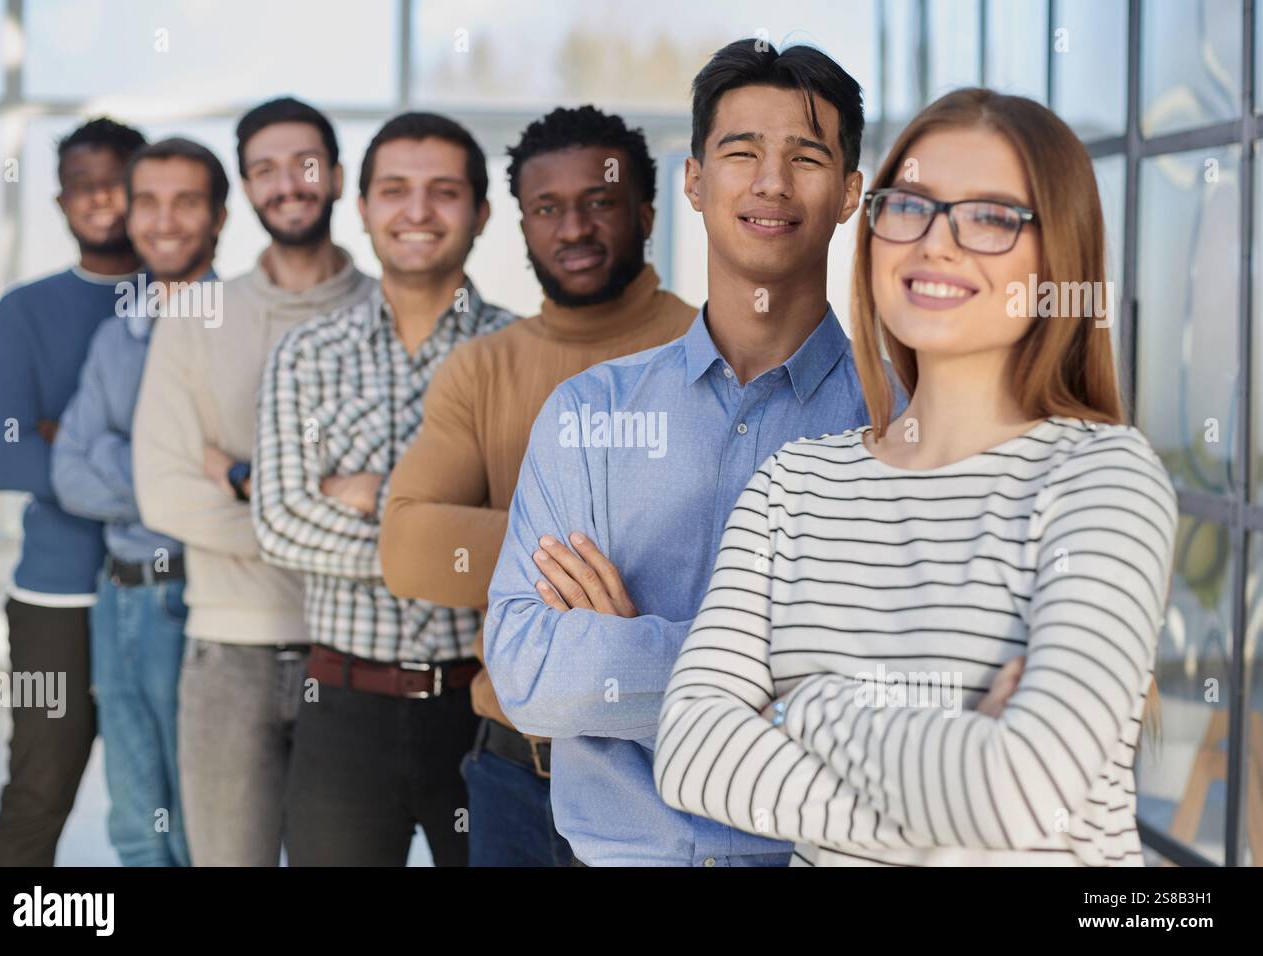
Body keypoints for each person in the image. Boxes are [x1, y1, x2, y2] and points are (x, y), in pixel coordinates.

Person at [655, 88, 1177, 867]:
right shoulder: (793, 486)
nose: (938, 243)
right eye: (912, 206)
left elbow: (1025, 789)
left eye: (993, 217)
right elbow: (691, 754)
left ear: (1056, 259)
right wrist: (956, 801)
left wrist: (812, 707)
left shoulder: (1101, 479)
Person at [484, 40, 881, 866]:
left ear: (849, 194)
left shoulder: (903, 424)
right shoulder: (590, 413)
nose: (771, 182)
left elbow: (900, 691)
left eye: (806, 156)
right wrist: (778, 665)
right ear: (696, 180)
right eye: (742, 153)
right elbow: (529, 674)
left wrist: (626, 649)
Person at [380, 105, 695, 866]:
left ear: (647, 212)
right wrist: (610, 562)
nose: (573, 229)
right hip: (510, 772)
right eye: (547, 208)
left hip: (663, 770)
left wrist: (510, 542)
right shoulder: (481, 369)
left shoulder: (705, 352)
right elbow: (408, 548)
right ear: (521, 225)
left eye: (600, 202)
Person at [252, 112, 516, 866]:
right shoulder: (306, 354)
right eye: (394, 190)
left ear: (482, 213)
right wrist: (456, 534)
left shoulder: (521, 352)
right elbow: (279, 527)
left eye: (444, 192)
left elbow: (536, 538)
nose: (418, 212)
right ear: (362, 208)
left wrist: (373, 496)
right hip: (342, 710)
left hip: (487, 710)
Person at [133, 98, 376, 866]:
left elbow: (405, 501)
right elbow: (165, 493)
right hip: (225, 657)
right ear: (246, 191)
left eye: (304, 163)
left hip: (355, 654)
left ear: (336, 177)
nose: (288, 184)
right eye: (265, 169)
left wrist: (239, 478)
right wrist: (326, 504)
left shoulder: (389, 309)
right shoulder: (197, 314)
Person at [52, 136, 228, 866]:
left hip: (199, 599)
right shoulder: (113, 336)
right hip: (114, 599)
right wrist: (182, 469)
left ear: (219, 217)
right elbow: (68, 472)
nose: (163, 220)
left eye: (186, 201)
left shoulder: (245, 325)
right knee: (134, 825)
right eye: (147, 201)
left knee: (199, 823)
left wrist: (121, 462)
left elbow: (251, 482)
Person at [0, 117, 146, 867]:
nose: (101, 197)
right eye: (84, 184)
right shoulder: (24, 309)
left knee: (165, 797)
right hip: (55, 603)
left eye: (118, 181)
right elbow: (2, 457)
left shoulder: (191, 304)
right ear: (59, 199)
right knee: (38, 790)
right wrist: (151, 476)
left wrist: (68, 442)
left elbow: (227, 457)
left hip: (166, 594)